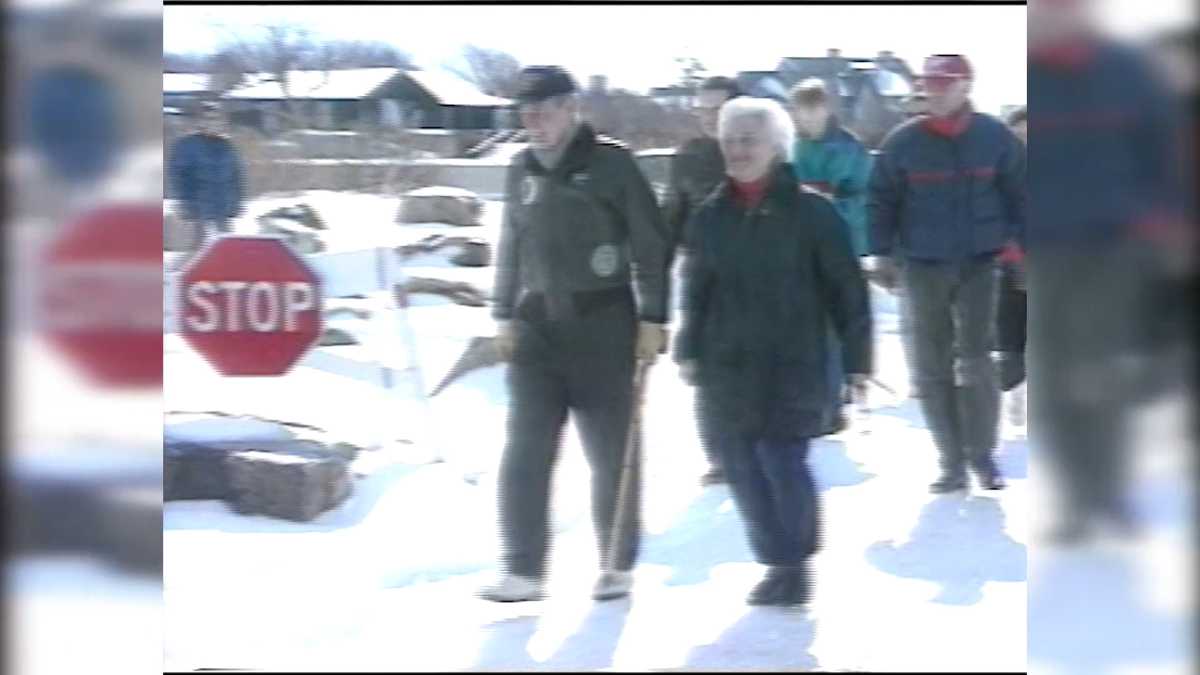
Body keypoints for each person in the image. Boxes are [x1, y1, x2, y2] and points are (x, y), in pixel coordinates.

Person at [480, 66, 671, 603]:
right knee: (526, 449)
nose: (534, 124)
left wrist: (654, 317)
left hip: (604, 324)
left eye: (543, 112)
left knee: (611, 452)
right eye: (525, 115)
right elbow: (511, 245)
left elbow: (650, 244)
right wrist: (502, 315)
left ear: (571, 108)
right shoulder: (521, 170)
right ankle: (524, 569)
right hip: (537, 327)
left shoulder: (612, 164)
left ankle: (615, 563)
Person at [674, 97, 873, 607]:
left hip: (795, 362)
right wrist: (689, 344)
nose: (738, 150)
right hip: (728, 365)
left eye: (749, 140)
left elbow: (847, 290)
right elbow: (696, 288)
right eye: (731, 140)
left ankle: (796, 560)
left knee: (781, 460)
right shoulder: (711, 217)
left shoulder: (813, 213)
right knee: (741, 466)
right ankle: (775, 560)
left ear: (777, 148)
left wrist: (857, 360)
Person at [869, 54, 1026, 494]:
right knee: (932, 365)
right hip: (923, 265)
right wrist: (879, 253)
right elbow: (880, 199)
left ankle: (983, 457)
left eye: (941, 83)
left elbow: (1022, 196)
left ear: (965, 86)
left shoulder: (995, 138)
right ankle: (951, 461)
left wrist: (1018, 251)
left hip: (980, 263)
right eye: (927, 84)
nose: (931, 91)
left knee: (977, 362)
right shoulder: (902, 143)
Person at [663, 75, 742, 486]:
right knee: (704, 369)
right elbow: (671, 216)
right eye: (702, 110)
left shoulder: (760, 148)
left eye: (717, 109)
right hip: (702, 277)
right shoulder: (689, 156)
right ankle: (720, 457)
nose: (709, 118)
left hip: (756, 277)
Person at [789, 78, 874, 435]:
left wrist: (825, 199)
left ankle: (833, 402)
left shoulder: (848, 148)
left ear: (826, 108)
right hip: (798, 249)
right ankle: (810, 398)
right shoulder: (792, 146)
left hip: (841, 246)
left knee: (834, 328)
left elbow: (863, 198)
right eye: (800, 110)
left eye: (813, 109)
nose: (807, 117)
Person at [166, 99, 245, 256]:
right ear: (200, 122)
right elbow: (178, 175)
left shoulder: (226, 145)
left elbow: (236, 175)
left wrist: (237, 202)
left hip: (223, 204)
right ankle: (181, 275)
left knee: (228, 243)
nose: (213, 124)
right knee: (198, 247)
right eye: (208, 119)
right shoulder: (187, 145)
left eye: (216, 119)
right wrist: (185, 202)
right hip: (198, 205)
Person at [995, 106, 1028, 428]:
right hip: (1008, 266)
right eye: (1019, 136)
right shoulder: (997, 176)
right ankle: (1014, 395)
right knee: (1009, 338)